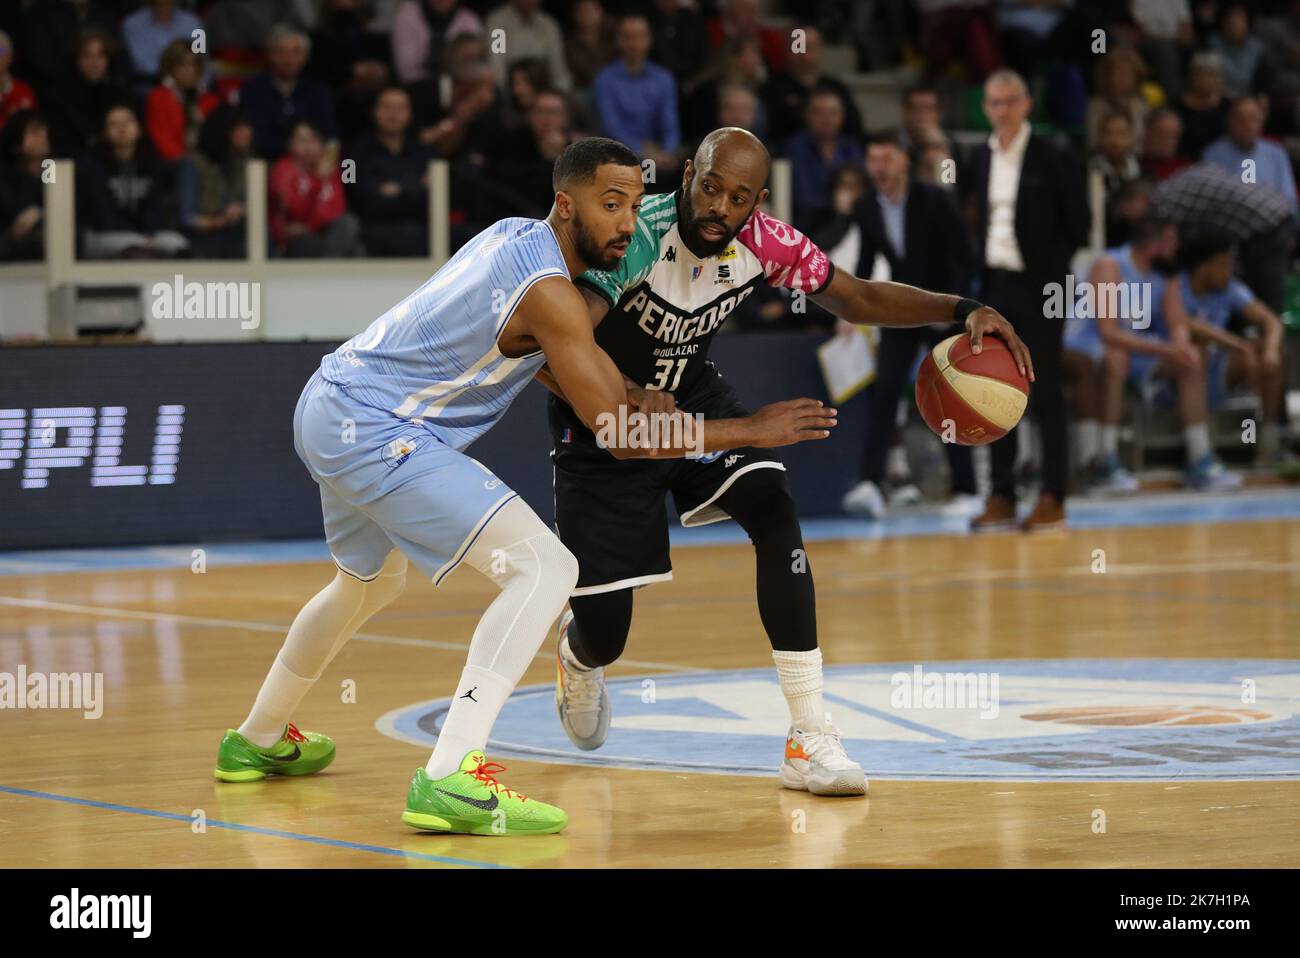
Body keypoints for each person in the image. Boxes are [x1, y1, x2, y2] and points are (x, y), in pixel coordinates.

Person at [214, 137, 835, 835]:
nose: (629, 224)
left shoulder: (513, 239)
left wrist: (627, 386)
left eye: (634, 204)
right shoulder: (554, 296)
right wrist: (751, 430)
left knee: (366, 585)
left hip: (328, 404)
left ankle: (256, 737)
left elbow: (539, 359)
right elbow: (621, 437)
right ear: (565, 206)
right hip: (381, 428)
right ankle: (450, 775)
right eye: (610, 205)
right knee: (548, 568)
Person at [541, 127, 1031, 797]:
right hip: (601, 424)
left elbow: (856, 296)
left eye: (738, 198)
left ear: (757, 202)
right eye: (709, 187)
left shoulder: (765, 243)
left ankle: (809, 735)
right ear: (686, 175)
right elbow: (558, 344)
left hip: (691, 395)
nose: (719, 207)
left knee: (774, 508)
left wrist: (964, 310)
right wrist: (625, 393)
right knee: (608, 632)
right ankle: (577, 653)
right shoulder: (638, 235)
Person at [963, 69, 1089, 533]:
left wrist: (1048, 272)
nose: (1002, 110)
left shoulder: (1054, 154)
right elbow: (978, 220)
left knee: (1046, 389)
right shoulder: (979, 155)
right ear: (986, 108)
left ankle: (1053, 494)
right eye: (994, 103)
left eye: (1010, 101)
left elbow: (1080, 223)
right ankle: (1002, 493)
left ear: (1027, 103)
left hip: (1043, 286)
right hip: (995, 287)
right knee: (997, 389)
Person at [837, 130, 980, 521]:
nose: (879, 168)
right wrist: (849, 309)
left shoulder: (936, 199)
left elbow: (965, 260)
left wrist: (953, 309)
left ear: (904, 161)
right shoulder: (866, 206)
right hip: (901, 308)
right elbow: (866, 264)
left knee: (947, 396)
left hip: (943, 307)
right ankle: (870, 483)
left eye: (887, 159)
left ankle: (967, 488)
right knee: (885, 392)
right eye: (873, 160)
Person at [1062, 216, 1241, 493]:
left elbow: (1177, 321)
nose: (1177, 248)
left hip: (1134, 350)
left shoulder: (1164, 275)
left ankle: (1200, 460)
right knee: (1116, 357)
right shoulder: (1110, 265)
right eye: (1173, 242)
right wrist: (1165, 347)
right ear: (1156, 243)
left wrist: (1180, 343)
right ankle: (1103, 462)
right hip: (1089, 347)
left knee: (1190, 359)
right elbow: (1108, 333)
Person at [1167, 231, 1290, 467]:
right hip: (1174, 374)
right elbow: (1188, 325)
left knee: (1272, 355)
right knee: (1196, 350)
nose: (1229, 271)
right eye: (1223, 265)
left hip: (1216, 370)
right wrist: (1240, 346)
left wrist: (1270, 352)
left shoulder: (1229, 288)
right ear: (1203, 267)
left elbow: (1271, 321)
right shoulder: (1174, 287)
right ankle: (1199, 458)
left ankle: (1268, 444)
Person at [268, 118, 360, 257]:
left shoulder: (333, 167)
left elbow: (337, 209)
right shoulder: (283, 170)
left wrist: (309, 226)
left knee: (351, 231)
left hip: (322, 231)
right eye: (302, 140)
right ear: (290, 145)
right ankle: (328, 275)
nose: (308, 146)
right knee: (309, 244)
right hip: (291, 241)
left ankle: (327, 272)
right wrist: (318, 180)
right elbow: (296, 211)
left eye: (313, 140)